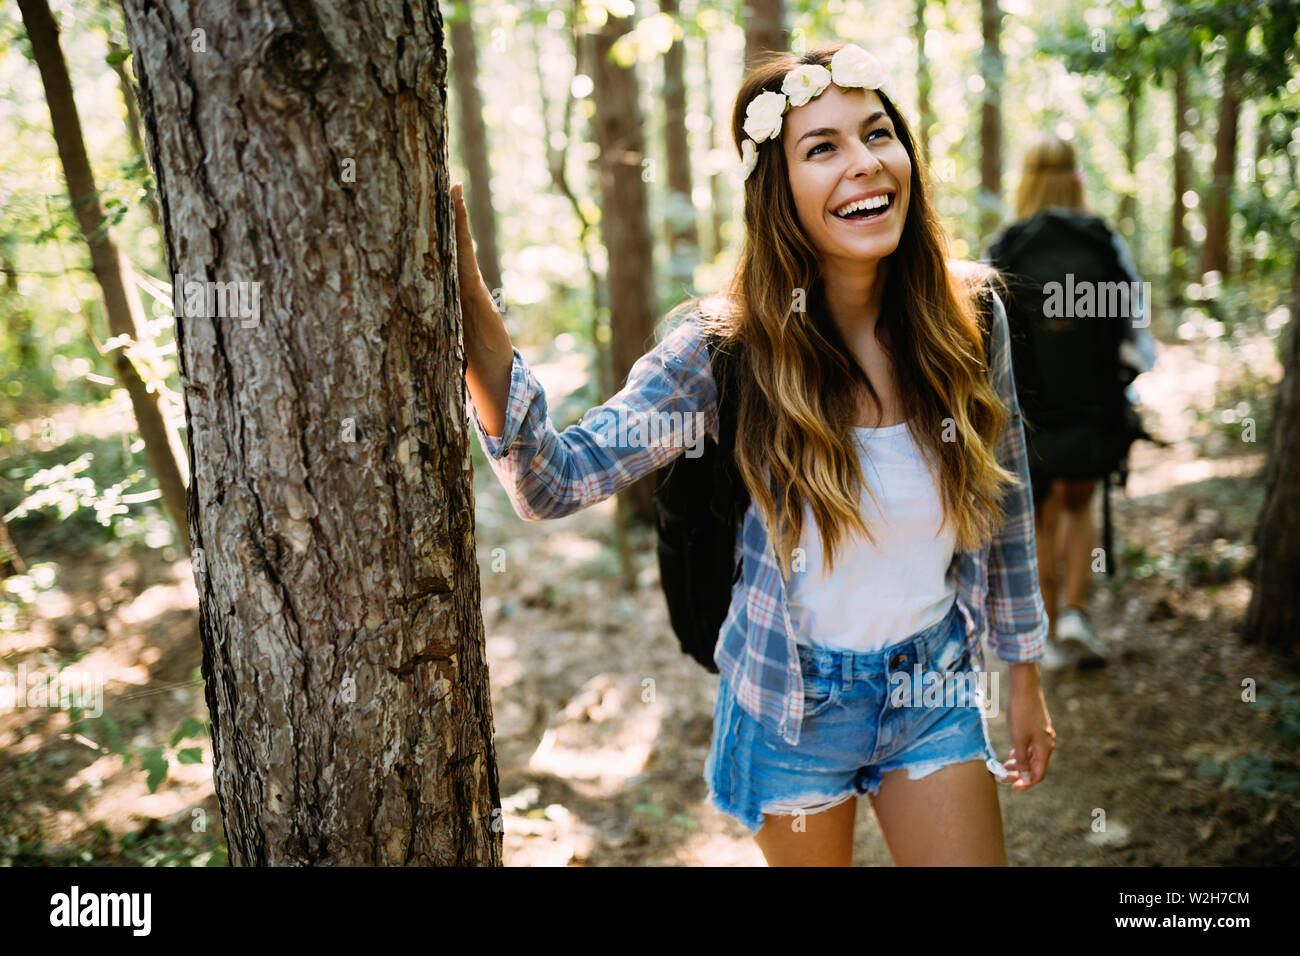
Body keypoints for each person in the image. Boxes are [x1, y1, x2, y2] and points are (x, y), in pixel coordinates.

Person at [459, 42, 1055, 866]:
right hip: (790, 703)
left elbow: (1006, 502)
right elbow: (552, 480)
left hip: (934, 687)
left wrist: (1020, 672)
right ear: (778, 192)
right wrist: (462, 295)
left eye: (878, 134)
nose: (865, 164)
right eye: (824, 147)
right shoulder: (723, 351)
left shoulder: (970, 318)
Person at [984, 135, 1158, 672]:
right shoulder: (1104, 240)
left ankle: (1050, 631)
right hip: (1093, 412)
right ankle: (1079, 613)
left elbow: (984, 333)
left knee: (1039, 515)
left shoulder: (1005, 245)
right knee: (1079, 505)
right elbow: (1137, 331)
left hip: (1031, 415)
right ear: (1075, 175)